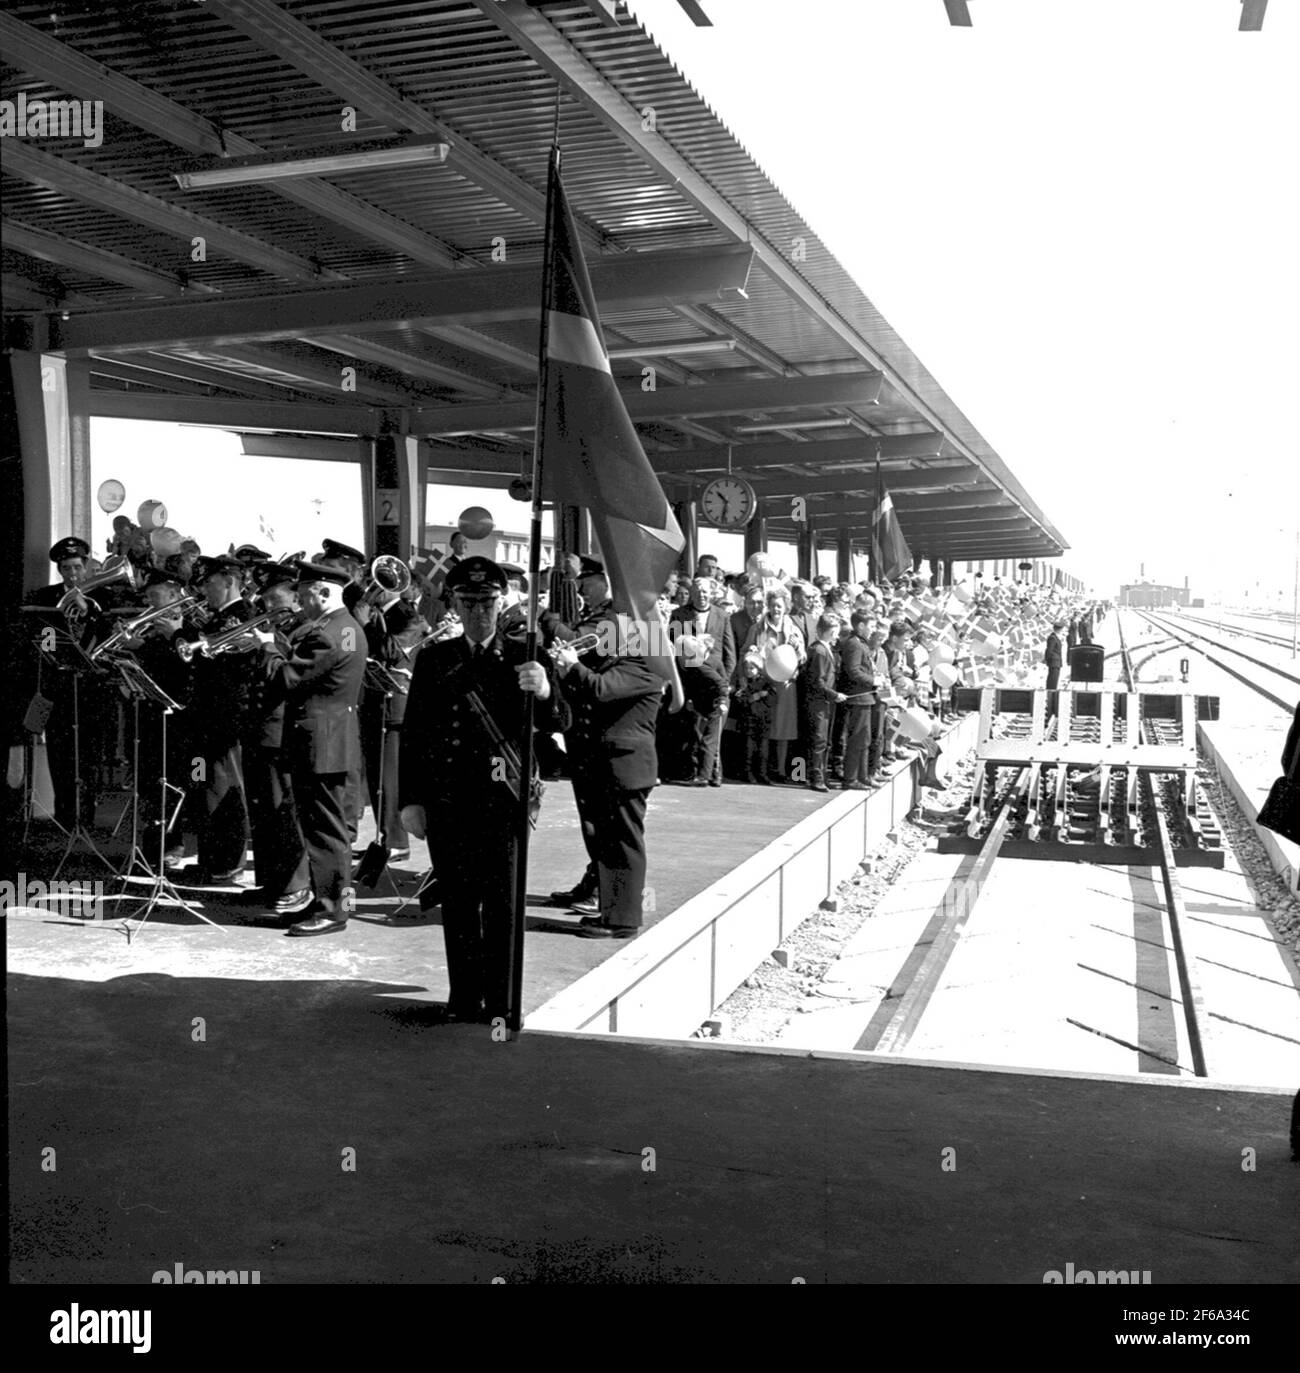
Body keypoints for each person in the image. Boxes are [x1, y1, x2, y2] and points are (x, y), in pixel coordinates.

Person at [399, 557, 556, 1012]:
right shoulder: (435, 658)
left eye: (487, 601)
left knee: (504, 904)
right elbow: (415, 734)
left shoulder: (526, 656)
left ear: (501, 602)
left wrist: (544, 690)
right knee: (460, 902)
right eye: (468, 602)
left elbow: (558, 721)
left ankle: (504, 1000)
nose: (478, 611)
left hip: (502, 800)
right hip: (448, 800)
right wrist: (411, 801)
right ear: (454, 603)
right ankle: (465, 996)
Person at [254, 561, 367, 936]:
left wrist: (269, 648)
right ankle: (332, 905)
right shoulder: (349, 628)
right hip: (334, 739)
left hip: (318, 743)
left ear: (323, 593)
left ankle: (333, 911)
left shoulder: (328, 634)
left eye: (304, 596)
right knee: (331, 831)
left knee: (324, 833)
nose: (301, 604)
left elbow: (286, 678)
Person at [550, 603, 664, 941]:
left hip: (627, 766)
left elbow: (601, 690)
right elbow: (584, 692)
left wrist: (572, 666)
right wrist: (564, 668)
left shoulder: (645, 666)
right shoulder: (621, 661)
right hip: (608, 764)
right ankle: (611, 912)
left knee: (624, 845)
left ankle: (623, 919)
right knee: (609, 843)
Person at [669, 576, 735, 786]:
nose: (702, 596)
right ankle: (696, 771)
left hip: (716, 678)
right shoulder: (679, 614)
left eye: (706, 592)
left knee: (713, 731)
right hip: (691, 680)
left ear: (711, 593)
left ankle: (713, 774)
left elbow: (729, 651)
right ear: (692, 594)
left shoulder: (722, 615)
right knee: (694, 731)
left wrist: (725, 679)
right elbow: (674, 648)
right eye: (698, 592)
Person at [739, 585, 806, 782]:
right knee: (764, 729)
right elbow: (745, 653)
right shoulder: (757, 628)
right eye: (773, 605)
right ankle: (762, 770)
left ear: (785, 607)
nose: (776, 609)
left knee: (784, 729)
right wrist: (752, 657)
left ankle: (782, 770)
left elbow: (802, 657)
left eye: (779, 606)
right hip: (764, 685)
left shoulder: (793, 629)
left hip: (785, 685)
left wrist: (797, 651)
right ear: (768, 606)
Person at [838, 614, 888, 789]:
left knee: (865, 739)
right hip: (858, 697)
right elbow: (853, 671)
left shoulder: (861, 643)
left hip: (865, 697)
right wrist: (873, 680)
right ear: (860, 626)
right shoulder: (854, 644)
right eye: (871, 625)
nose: (873, 629)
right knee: (857, 739)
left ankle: (863, 775)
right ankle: (851, 778)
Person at [804, 614, 846, 792]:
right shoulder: (819, 651)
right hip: (818, 702)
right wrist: (834, 694)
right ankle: (815, 777)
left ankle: (822, 774)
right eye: (833, 632)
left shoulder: (825, 649)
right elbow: (817, 681)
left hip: (825, 702)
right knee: (818, 740)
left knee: (825, 740)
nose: (836, 636)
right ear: (825, 631)